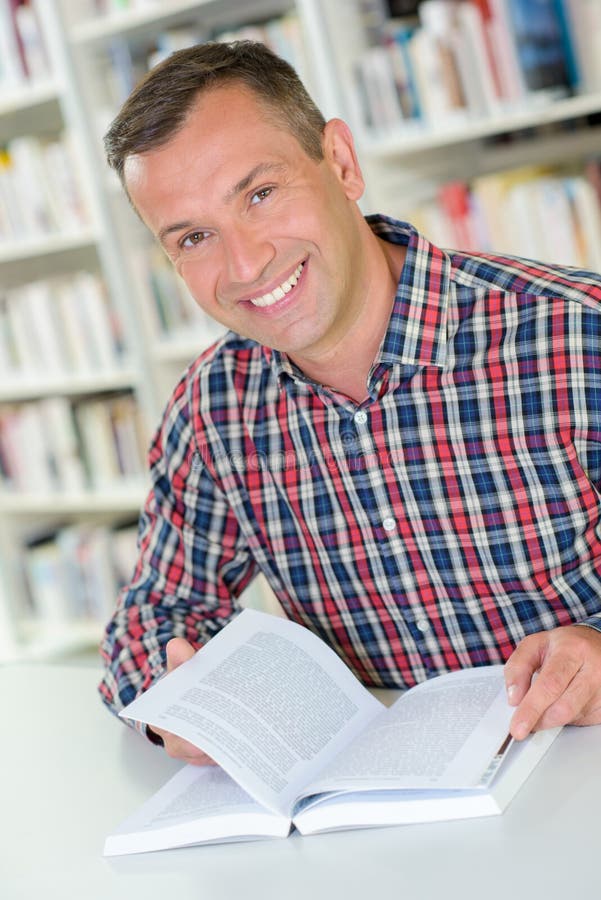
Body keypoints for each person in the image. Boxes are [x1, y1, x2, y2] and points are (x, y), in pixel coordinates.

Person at [100, 40, 601, 765]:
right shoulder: (213, 408)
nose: (244, 264)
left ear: (339, 162)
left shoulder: (578, 331)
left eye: (259, 194)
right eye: (194, 237)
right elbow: (154, 617)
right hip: (373, 823)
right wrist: (174, 703)